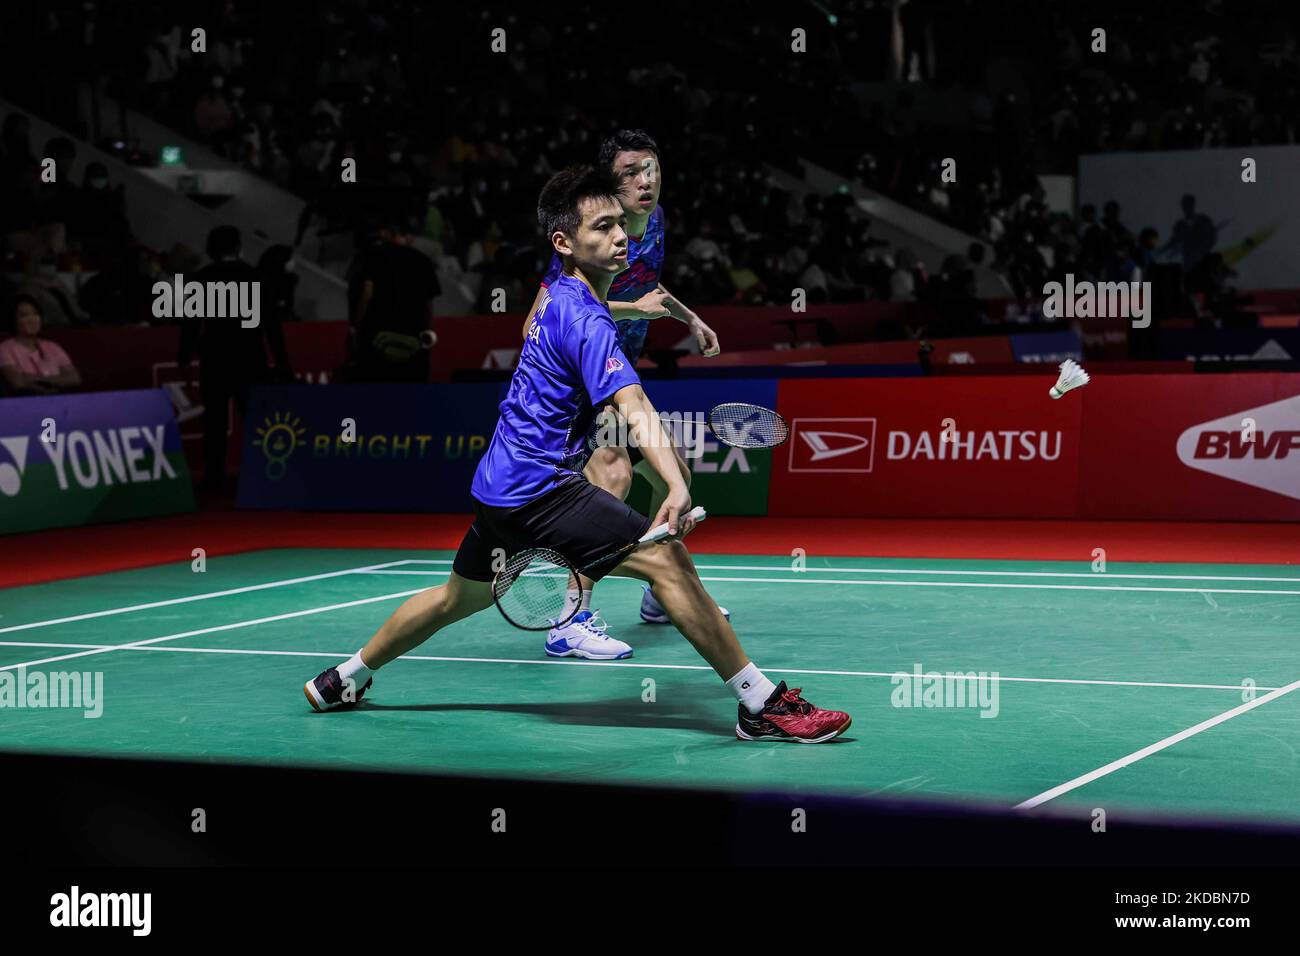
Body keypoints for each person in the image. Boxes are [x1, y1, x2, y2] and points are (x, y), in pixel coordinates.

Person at [304, 165, 851, 744]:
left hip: (499, 484)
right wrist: (676, 485)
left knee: (453, 600)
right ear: (564, 242)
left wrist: (638, 311)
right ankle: (760, 704)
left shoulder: (557, 295)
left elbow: (590, 352)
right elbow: (634, 404)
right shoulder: (588, 319)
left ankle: (344, 677)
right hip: (540, 486)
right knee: (666, 561)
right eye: (602, 226)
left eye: (620, 225)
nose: (620, 236)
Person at [520, 130, 724, 660]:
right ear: (609, 186)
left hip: (618, 373)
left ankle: (660, 590)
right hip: (575, 382)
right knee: (613, 475)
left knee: (672, 471)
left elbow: (649, 289)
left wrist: (689, 318)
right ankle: (569, 618)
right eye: (631, 172)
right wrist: (636, 313)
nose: (645, 181)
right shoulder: (584, 238)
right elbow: (534, 324)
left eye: (651, 169)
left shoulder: (654, 224)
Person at [178, 226, 292, 492]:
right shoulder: (256, 277)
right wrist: (282, 359)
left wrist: (184, 357)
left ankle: (214, 476)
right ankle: (265, 475)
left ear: (211, 248)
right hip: (250, 356)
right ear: (239, 247)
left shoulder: (201, 278)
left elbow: (191, 324)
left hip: (216, 358)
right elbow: (272, 324)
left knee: (215, 421)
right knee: (257, 419)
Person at [345, 217, 440, 383]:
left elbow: (367, 293)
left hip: (376, 344)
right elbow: (428, 307)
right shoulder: (424, 261)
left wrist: (357, 330)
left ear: (386, 233)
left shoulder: (374, 255)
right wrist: (427, 338)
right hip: (413, 346)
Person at [0, 295, 81, 395]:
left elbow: (74, 378)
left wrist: (37, 379)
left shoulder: (53, 346)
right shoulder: (5, 348)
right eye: (24, 315)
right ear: (13, 320)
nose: (32, 319)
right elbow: (18, 382)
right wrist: (58, 380)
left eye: (35, 313)